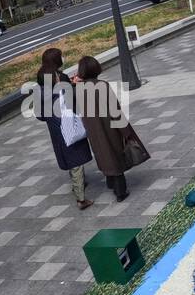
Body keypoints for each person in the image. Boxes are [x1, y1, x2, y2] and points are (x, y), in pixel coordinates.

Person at [76, 55, 145, 202]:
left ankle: (110, 181)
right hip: (108, 127)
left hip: (93, 129)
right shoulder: (102, 85)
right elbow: (115, 110)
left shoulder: (79, 89)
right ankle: (120, 191)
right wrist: (126, 132)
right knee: (114, 155)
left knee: (102, 154)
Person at [32, 47, 92, 210]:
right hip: (68, 124)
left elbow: (39, 115)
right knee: (76, 160)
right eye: (61, 56)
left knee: (67, 156)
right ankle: (81, 198)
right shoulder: (61, 78)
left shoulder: (40, 85)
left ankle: (77, 183)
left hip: (54, 128)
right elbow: (74, 102)